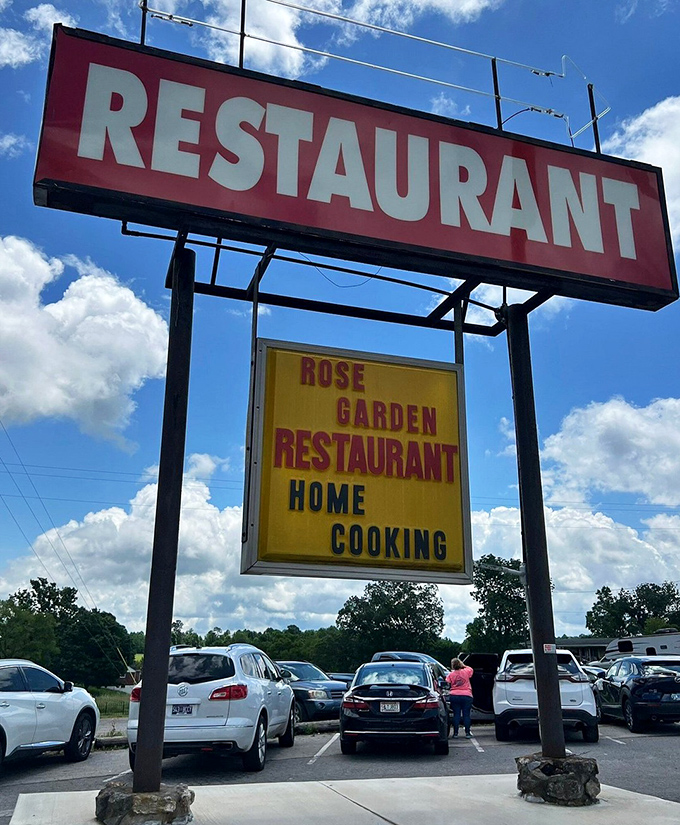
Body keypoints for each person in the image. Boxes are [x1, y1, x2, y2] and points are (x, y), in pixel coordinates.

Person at [446, 657, 474, 738]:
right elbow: (470, 669)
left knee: (456, 714)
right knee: (466, 715)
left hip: (454, 695)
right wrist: (463, 665)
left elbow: (447, 682)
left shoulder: (451, 674)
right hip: (466, 695)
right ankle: (467, 733)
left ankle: (455, 733)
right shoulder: (466, 671)